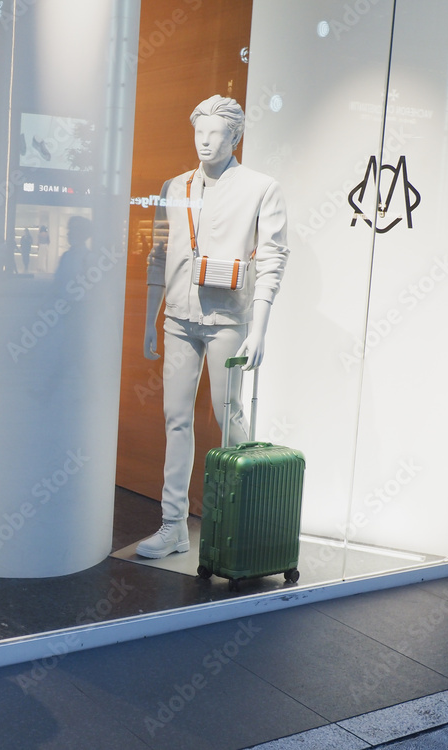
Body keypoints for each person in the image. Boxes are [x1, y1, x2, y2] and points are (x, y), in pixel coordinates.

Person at [136, 94, 289, 559]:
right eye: (199, 132)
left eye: (215, 132)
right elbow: (159, 256)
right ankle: (172, 525)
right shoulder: (174, 187)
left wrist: (259, 327)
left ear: (235, 135)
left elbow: (273, 258)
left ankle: (244, 520)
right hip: (179, 318)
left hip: (228, 318)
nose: (204, 141)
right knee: (176, 420)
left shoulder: (261, 187)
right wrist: (150, 319)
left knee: (230, 417)